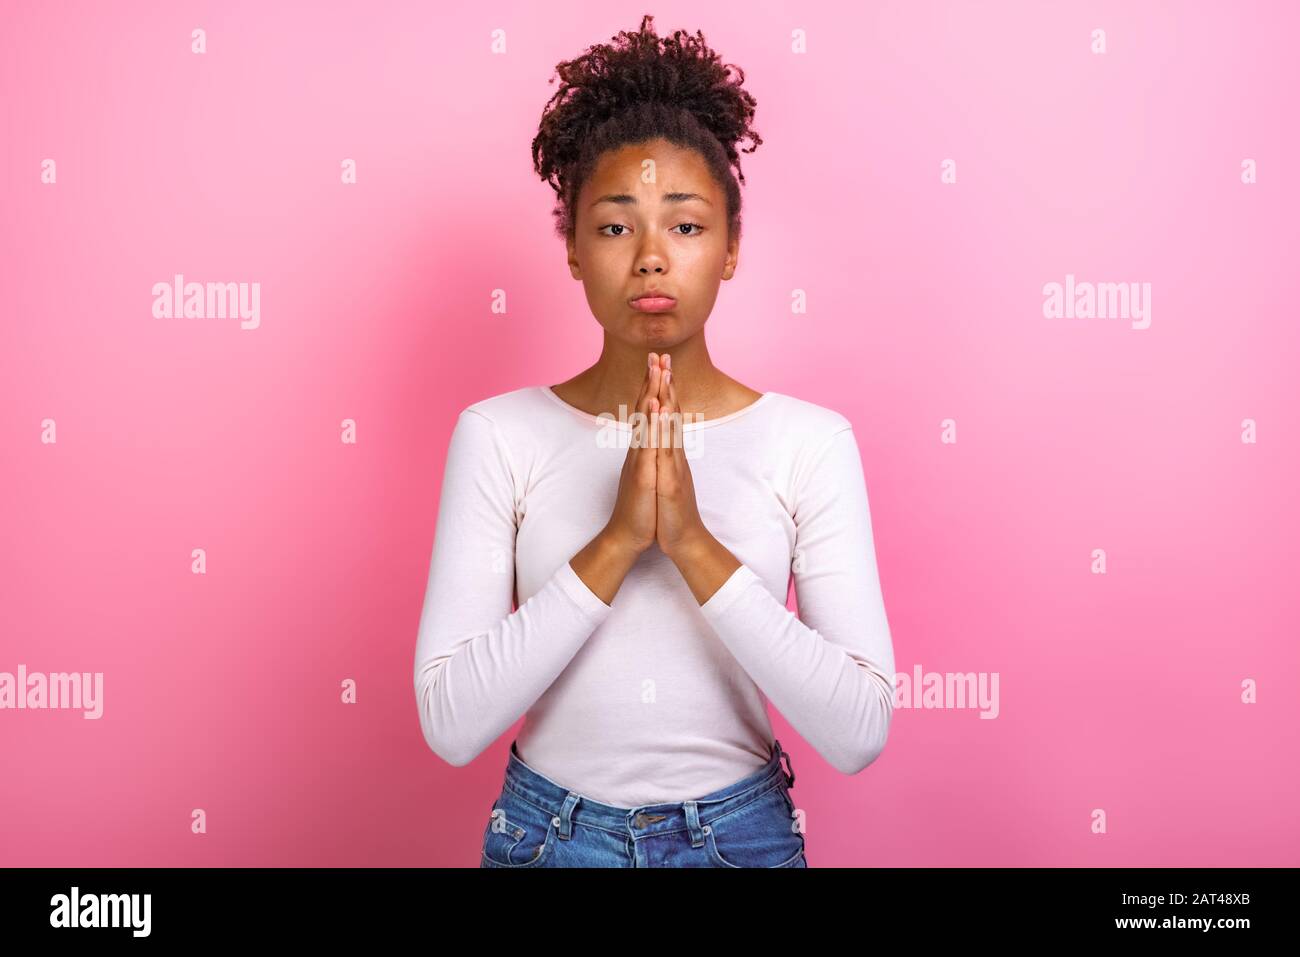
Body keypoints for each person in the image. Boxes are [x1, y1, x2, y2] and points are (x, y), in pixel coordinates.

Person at [414, 14, 895, 868]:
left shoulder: (809, 442)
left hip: (741, 839)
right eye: (612, 226)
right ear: (569, 247)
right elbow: (451, 723)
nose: (649, 258)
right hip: (548, 838)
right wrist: (619, 539)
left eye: (684, 224)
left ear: (732, 247)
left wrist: (691, 542)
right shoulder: (499, 435)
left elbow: (858, 730)